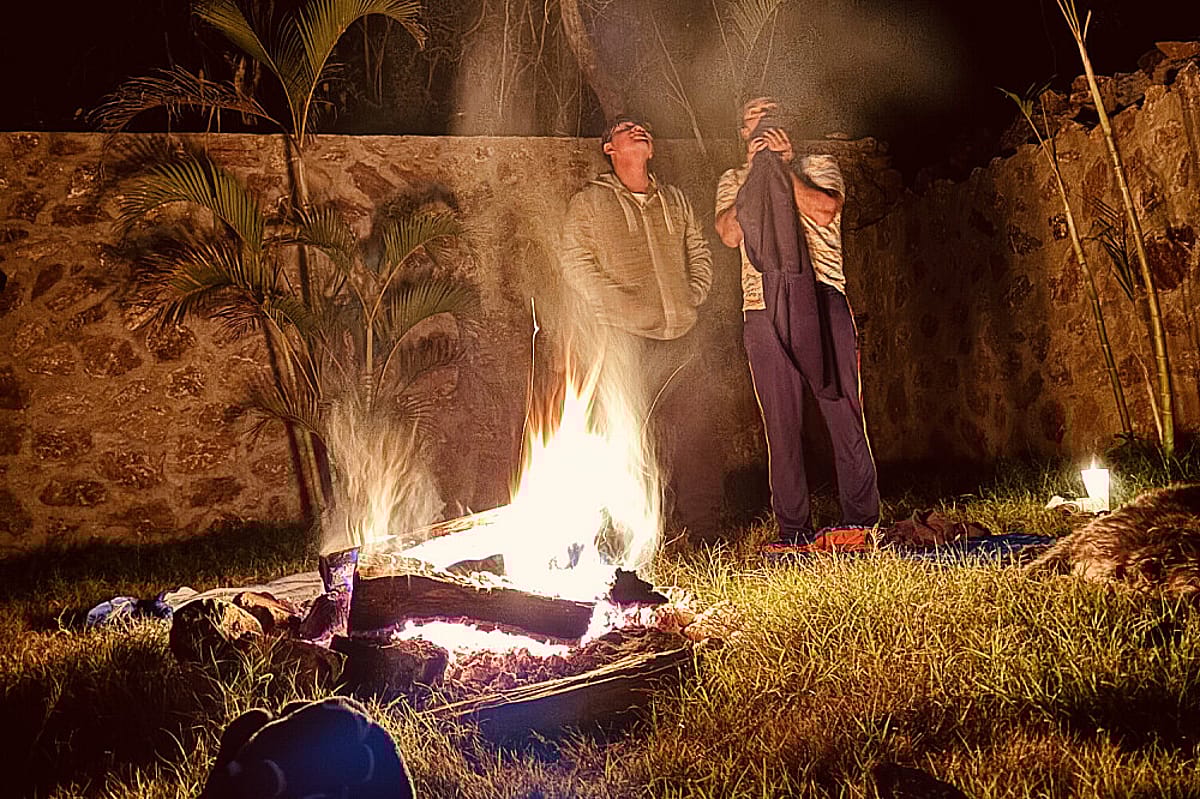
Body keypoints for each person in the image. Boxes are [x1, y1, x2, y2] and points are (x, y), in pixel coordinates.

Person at [714, 96, 879, 548]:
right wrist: (757, 174)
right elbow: (730, 233)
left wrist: (781, 171)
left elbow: (825, 210)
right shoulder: (733, 179)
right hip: (761, 306)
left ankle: (862, 523)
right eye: (754, 119)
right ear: (742, 134)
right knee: (781, 423)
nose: (764, 126)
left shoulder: (819, 165)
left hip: (824, 297)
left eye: (772, 117)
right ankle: (793, 530)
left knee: (843, 409)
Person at [559, 114, 717, 539]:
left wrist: (693, 294)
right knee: (631, 436)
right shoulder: (590, 203)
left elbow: (698, 250)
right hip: (625, 339)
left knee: (695, 433)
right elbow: (575, 261)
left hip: (680, 333)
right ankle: (635, 534)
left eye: (642, 127)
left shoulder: (674, 199)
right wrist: (614, 304)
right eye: (626, 129)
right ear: (609, 148)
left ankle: (704, 528)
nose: (640, 129)